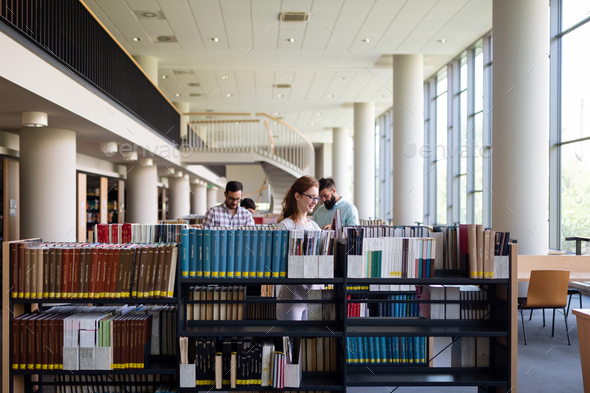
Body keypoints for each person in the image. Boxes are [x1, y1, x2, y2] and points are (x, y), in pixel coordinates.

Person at [277, 176, 322, 321]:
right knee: (290, 341)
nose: (315, 202)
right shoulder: (285, 226)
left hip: (314, 297)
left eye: (317, 197)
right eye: (311, 197)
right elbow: (280, 263)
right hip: (292, 297)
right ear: (297, 196)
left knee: (310, 343)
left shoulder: (315, 227)